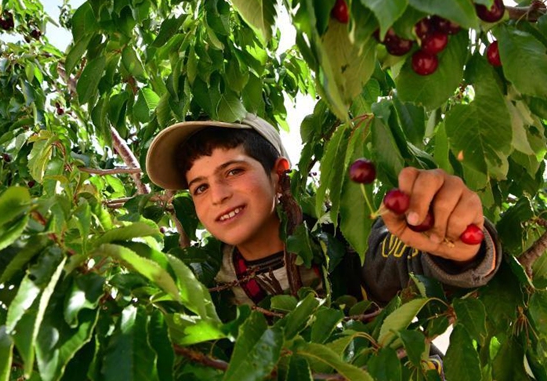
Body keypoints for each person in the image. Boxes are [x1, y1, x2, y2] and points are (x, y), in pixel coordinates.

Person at [145, 113, 501, 308]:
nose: (218, 196)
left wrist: (461, 244)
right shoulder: (206, 288)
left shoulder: (344, 242)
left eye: (234, 171)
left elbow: (414, 264)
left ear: (280, 175)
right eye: (200, 187)